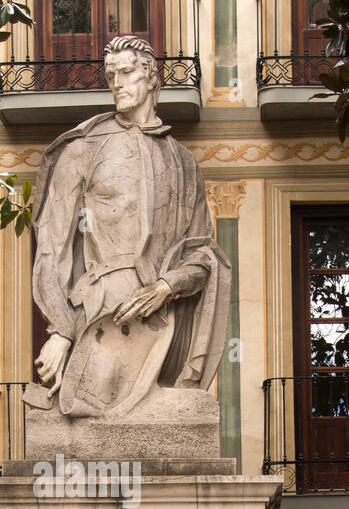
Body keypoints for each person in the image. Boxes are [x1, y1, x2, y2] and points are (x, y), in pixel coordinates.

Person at [28, 35, 230, 419]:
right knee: (90, 412)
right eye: (110, 75)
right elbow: (51, 247)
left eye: (125, 72)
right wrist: (61, 331)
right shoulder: (83, 148)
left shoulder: (184, 162)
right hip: (103, 313)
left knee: (186, 412)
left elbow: (203, 256)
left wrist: (167, 286)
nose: (116, 83)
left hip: (164, 321)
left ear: (152, 77)